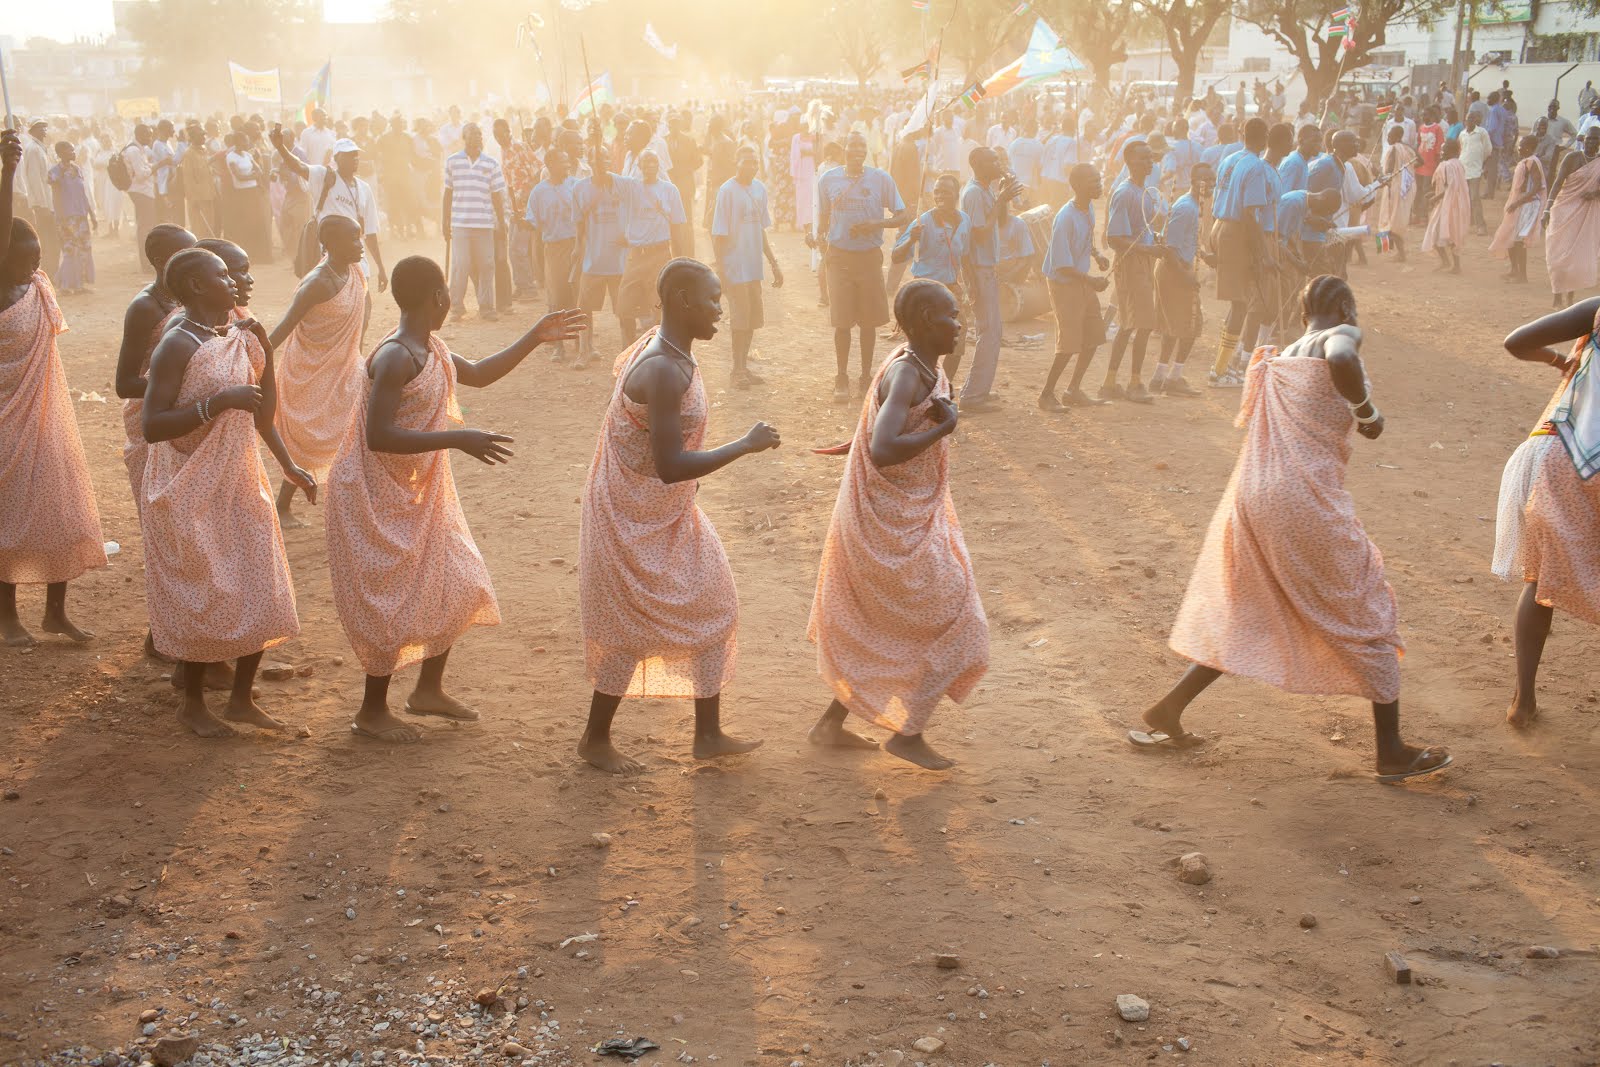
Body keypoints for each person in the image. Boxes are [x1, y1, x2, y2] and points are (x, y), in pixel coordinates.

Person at [1130, 275, 1452, 784]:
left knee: (1251, 609)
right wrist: (1366, 411)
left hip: (1254, 496)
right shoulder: (1338, 336)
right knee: (1367, 610)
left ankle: (1168, 710)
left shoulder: (1280, 357)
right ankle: (1390, 753)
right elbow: (1343, 358)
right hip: (1303, 501)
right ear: (1344, 307)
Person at [326, 256, 585, 742]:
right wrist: (457, 439)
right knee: (390, 601)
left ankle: (428, 689)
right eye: (448, 292)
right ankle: (371, 710)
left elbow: (481, 374)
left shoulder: (431, 347)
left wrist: (534, 337)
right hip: (372, 493)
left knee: (459, 581)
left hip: (413, 490)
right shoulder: (396, 356)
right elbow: (378, 436)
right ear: (438, 297)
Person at [577, 258, 779, 774]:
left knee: (715, 602)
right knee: (627, 626)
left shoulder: (672, 353)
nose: (719, 310)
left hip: (661, 509)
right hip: (633, 514)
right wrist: (745, 445)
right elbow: (669, 467)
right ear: (683, 301)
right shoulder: (663, 369)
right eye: (712, 299)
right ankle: (595, 740)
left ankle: (707, 734)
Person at [806, 279, 986, 770]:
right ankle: (908, 734)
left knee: (887, 626)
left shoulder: (925, 366)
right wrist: (944, 427)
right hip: (889, 524)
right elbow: (884, 448)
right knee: (957, 620)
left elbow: (882, 429)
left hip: (910, 515)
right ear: (927, 319)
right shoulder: (908, 374)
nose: (960, 323)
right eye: (952, 314)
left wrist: (861, 440)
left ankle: (831, 725)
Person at [141, 246, 315, 737]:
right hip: (188, 484)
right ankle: (193, 704)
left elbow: (261, 410)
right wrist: (216, 403)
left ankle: (241, 699)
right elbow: (153, 425)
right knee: (206, 589)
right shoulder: (177, 343)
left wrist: (289, 465)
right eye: (223, 275)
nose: (235, 282)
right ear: (196, 286)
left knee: (262, 582)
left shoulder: (236, 334)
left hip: (238, 479)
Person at [0, 184, 107, 648]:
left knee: (60, 513)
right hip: (6, 419)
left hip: (47, 416)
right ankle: (7, 616)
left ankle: (55, 612)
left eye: (37, 256)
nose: (33, 265)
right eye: (23, 258)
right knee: (9, 519)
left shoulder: (37, 285)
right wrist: (8, 171)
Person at [1494, 296, 1600, 728]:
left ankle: (1523, 702)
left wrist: (1560, 360)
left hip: (1555, 451)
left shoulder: (1597, 309)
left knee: (1538, 579)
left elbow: (1516, 342)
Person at [266, 215, 371, 528]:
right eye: (353, 239)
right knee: (305, 440)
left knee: (356, 432)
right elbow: (283, 328)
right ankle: (282, 506)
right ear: (331, 244)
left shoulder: (354, 271)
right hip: (310, 372)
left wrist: (355, 350)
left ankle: (357, 504)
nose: (360, 244)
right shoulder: (316, 283)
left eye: (360, 236)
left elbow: (365, 305)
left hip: (346, 365)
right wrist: (247, 361)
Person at [817, 132, 907, 401]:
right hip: (839, 258)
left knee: (869, 323)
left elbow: (902, 214)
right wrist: (819, 240)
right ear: (843, 149)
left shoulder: (881, 179)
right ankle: (841, 377)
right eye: (852, 145)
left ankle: (866, 376)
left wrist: (876, 224)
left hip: (869, 257)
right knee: (842, 322)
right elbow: (823, 216)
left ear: (867, 150)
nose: (857, 150)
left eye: (862, 146)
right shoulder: (828, 179)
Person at [270, 126, 388, 293]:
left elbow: (370, 233)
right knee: (331, 299)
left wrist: (380, 268)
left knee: (362, 300)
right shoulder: (323, 176)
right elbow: (298, 166)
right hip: (328, 255)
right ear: (337, 158)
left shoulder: (364, 189)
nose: (354, 158)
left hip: (357, 255)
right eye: (349, 155)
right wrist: (281, 147)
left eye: (356, 155)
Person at [1208, 118, 1275, 388]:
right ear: (1265, 137)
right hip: (1235, 231)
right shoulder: (1256, 165)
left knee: (1239, 302)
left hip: (1219, 226)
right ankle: (1219, 371)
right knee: (1240, 303)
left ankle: (1223, 366)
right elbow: (1250, 213)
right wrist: (1263, 253)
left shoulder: (1230, 158)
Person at [1039, 163, 1111, 411]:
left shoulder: (1087, 208)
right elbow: (1061, 266)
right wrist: (1091, 280)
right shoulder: (1065, 217)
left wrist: (1097, 255)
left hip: (1081, 280)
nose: (1099, 185)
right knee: (1069, 343)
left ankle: (1073, 390)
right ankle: (1046, 394)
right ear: (1078, 186)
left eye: (1099, 179)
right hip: (1065, 284)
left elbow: (1085, 241)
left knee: (1093, 335)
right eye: (1093, 181)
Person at [956, 146, 1023, 410]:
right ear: (979, 165)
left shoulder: (984, 189)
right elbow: (979, 233)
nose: (998, 164)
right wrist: (1000, 199)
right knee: (989, 331)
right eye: (992, 161)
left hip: (984, 268)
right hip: (978, 269)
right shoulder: (974, 193)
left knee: (992, 330)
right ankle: (973, 395)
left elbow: (994, 222)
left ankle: (979, 389)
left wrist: (1002, 197)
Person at [711, 146, 783, 389]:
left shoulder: (760, 189)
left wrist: (773, 262)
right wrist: (722, 270)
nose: (751, 166)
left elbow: (761, 229)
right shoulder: (726, 191)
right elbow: (718, 234)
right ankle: (737, 370)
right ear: (736, 162)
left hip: (753, 266)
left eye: (754, 162)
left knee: (751, 319)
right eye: (746, 161)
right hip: (735, 266)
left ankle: (743, 367)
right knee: (740, 320)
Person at [1101, 139, 1166, 403]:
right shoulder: (1125, 193)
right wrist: (1148, 249)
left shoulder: (1144, 191)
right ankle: (1132, 383)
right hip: (1131, 264)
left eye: (1150, 158)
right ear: (1129, 161)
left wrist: (1154, 240)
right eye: (1143, 158)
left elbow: (1141, 229)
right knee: (1138, 324)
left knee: (1134, 324)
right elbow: (1114, 238)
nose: (1149, 162)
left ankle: (1112, 382)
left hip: (1143, 261)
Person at [891, 172, 970, 379]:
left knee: (957, 340)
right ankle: (921, 386)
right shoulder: (922, 222)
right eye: (937, 192)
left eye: (946, 192)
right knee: (923, 345)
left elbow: (966, 256)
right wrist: (911, 240)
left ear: (957, 194)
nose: (940, 196)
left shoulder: (965, 221)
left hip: (950, 289)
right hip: (925, 292)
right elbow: (896, 256)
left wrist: (969, 288)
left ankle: (944, 386)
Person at [1150, 162, 1216, 398]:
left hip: (1177, 269)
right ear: (1194, 181)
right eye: (1205, 180)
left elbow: (1185, 241)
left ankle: (1161, 377)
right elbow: (1169, 248)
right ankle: (1173, 378)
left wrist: (1203, 255)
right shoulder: (1187, 208)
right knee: (1190, 325)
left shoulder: (1195, 206)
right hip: (1174, 271)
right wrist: (1186, 276)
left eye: (1212, 180)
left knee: (1174, 326)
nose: (1210, 184)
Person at [572, 138, 632, 368]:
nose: (601, 164)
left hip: (619, 260)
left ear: (610, 161)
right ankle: (584, 351)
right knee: (584, 308)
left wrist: (631, 235)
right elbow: (579, 224)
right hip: (593, 260)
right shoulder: (580, 188)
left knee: (625, 310)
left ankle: (628, 354)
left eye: (605, 159)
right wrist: (578, 249)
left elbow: (637, 206)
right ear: (589, 162)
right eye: (596, 160)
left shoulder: (622, 184)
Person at [620, 150, 687, 343]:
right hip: (636, 255)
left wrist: (680, 262)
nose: (650, 165)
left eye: (654, 161)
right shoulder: (631, 189)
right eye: (646, 162)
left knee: (660, 307)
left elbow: (677, 227)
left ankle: (660, 349)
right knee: (624, 307)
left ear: (659, 165)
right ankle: (628, 350)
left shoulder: (670, 190)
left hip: (660, 254)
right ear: (639, 166)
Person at [442, 123, 507, 321]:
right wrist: (444, 221)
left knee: (486, 265)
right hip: (460, 223)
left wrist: (501, 222)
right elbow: (448, 193)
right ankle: (456, 307)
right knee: (461, 265)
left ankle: (486, 307)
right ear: (464, 138)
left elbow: (497, 196)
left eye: (479, 134)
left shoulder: (491, 163)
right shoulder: (452, 161)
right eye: (473, 134)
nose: (478, 137)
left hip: (484, 223)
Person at [526, 147, 580, 366]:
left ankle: (581, 344)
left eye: (567, 160)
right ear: (549, 165)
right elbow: (533, 225)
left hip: (575, 245)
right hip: (554, 248)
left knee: (577, 295)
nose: (567, 164)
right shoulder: (539, 192)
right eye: (562, 161)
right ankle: (559, 346)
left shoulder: (576, 185)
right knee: (557, 297)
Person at [1543, 127, 1600, 308]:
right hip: (1563, 209)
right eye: (1589, 138)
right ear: (1583, 140)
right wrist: (1547, 209)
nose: (1591, 142)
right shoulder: (1572, 158)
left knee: (1576, 257)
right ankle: (1557, 293)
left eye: (1595, 139)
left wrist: (1594, 193)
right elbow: (1557, 182)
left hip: (1586, 214)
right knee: (1557, 254)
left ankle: (1569, 295)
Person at [1489, 134, 1546, 284]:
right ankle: (1514, 270)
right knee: (1510, 235)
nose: (1519, 148)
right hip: (1520, 203)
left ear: (1529, 147)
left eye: (1521, 145)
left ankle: (1522, 275)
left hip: (1528, 205)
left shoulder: (1532, 162)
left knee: (1519, 240)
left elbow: (1536, 187)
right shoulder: (1524, 161)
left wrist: (1517, 202)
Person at [46, 142, 95, 294]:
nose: (73, 152)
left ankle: (79, 285)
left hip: (81, 216)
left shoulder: (77, 169)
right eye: (70, 150)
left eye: (73, 150)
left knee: (84, 249)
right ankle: (65, 285)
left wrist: (92, 214)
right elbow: (55, 193)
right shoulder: (54, 172)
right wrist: (61, 219)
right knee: (71, 250)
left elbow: (83, 194)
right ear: (61, 153)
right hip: (66, 218)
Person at [1421, 138, 1470, 274]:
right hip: (1455, 204)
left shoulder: (1447, 165)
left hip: (1447, 205)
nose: (1441, 153)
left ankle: (1452, 264)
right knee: (1450, 233)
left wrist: (1435, 198)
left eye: (1443, 150)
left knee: (1436, 232)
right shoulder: (1458, 164)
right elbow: (1451, 186)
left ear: (1451, 151)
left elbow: (1450, 187)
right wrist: (1435, 193)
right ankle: (1450, 263)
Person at [20, 121, 59, 282]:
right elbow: (35, 178)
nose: (44, 130)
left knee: (50, 238)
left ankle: (51, 271)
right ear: (33, 130)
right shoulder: (33, 149)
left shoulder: (41, 148)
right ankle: (48, 272)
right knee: (47, 239)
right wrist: (43, 205)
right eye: (41, 127)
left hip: (47, 201)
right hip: (42, 203)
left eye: (45, 127)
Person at [1375, 125, 1419, 262]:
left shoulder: (1394, 149)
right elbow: (1420, 161)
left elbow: (1388, 171)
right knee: (1398, 218)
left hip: (1395, 187)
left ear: (1397, 136)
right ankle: (1390, 249)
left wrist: (1379, 177)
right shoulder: (1408, 148)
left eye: (1390, 136)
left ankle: (1399, 253)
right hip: (1408, 186)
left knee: (1390, 219)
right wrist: (1406, 169)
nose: (1388, 138)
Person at [123, 125, 158, 266]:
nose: (150, 138)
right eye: (148, 135)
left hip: (143, 191)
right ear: (139, 135)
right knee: (145, 228)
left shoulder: (140, 149)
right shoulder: (134, 151)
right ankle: (145, 262)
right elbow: (141, 175)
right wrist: (158, 165)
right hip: (141, 191)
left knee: (146, 226)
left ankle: (146, 261)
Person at [179, 125, 219, 238]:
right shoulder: (188, 154)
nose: (204, 137)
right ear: (192, 138)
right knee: (199, 229)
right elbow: (188, 180)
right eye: (201, 135)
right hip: (198, 199)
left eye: (204, 135)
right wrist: (193, 199)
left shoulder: (204, 150)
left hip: (209, 195)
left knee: (210, 227)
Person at [1459, 109, 1493, 235]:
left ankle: (1481, 226)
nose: (1469, 121)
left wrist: (1480, 162)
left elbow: (1488, 150)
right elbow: (1461, 149)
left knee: (1474, 197)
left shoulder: (1481, 132)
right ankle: (1468, 221)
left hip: (1475, 170)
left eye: (1472, 118)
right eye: (1467, 119)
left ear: (1476, 120)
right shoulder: (1462, 134)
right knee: (1465, 198)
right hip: (1463, 169)